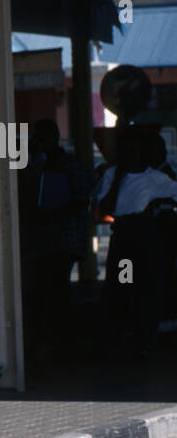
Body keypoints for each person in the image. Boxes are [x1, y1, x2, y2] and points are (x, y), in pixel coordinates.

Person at [95, 126, 177, 357]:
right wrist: (119, 177)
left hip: (145, 240)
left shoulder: (154, 177)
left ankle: (144, 341)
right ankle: (115, 339)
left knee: (146, 290)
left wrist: (159, 203)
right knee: (121, 286)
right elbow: (106, 206)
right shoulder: (113, 175)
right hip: (124, 240)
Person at [21, 119, 92, 364]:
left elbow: (82, 200)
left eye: (40, 138)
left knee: (57, 291)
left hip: (63, 240)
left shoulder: (69, 165)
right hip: (42, 242)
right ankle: (51, 342)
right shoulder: (38, 166)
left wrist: (54, 211)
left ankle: (66, 343)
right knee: (44, 291)